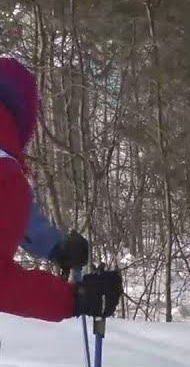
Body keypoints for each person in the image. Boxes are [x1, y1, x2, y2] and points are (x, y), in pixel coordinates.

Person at [0, 56, 121, 322]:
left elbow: (13, 212)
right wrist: (73, 299)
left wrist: (56, 246)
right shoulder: (7, 175)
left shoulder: (6, 171)